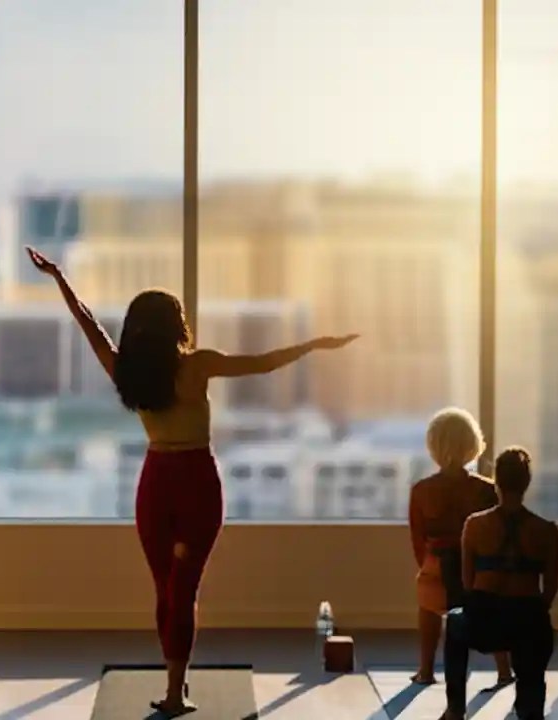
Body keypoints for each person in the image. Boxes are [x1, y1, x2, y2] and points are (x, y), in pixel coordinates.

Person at [28, 246, 356, 717]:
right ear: (174, 325)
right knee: (178, 590)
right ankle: (174, 688)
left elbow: (87, 325)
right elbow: (261, 363)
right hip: (196, 481)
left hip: (157, 483)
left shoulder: (127, 371)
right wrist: (314, 345)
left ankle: (175, 687)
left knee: (171, 590)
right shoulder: (195, 366)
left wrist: (59, 276)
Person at [440, 447, 558, 720]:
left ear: (496, 481)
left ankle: (456, 708)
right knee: (536, 635)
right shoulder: (546, 530)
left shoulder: (475, 525)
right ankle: (530, 709)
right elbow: (550, 588)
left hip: (484, 621)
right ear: (527, 482)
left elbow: (468, 583)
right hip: (527, 622)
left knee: (455, 621)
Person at [409, 408, 512, 687]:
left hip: (437, 568)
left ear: (433, 445)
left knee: (427, 603)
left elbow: (418, 541)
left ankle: (426, 670)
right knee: (491, 609)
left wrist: (428, 567)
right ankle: (504, 670)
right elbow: (497, 532)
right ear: (472, 444)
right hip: (479, 570)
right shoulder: (487, 489)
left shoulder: (421, 490)